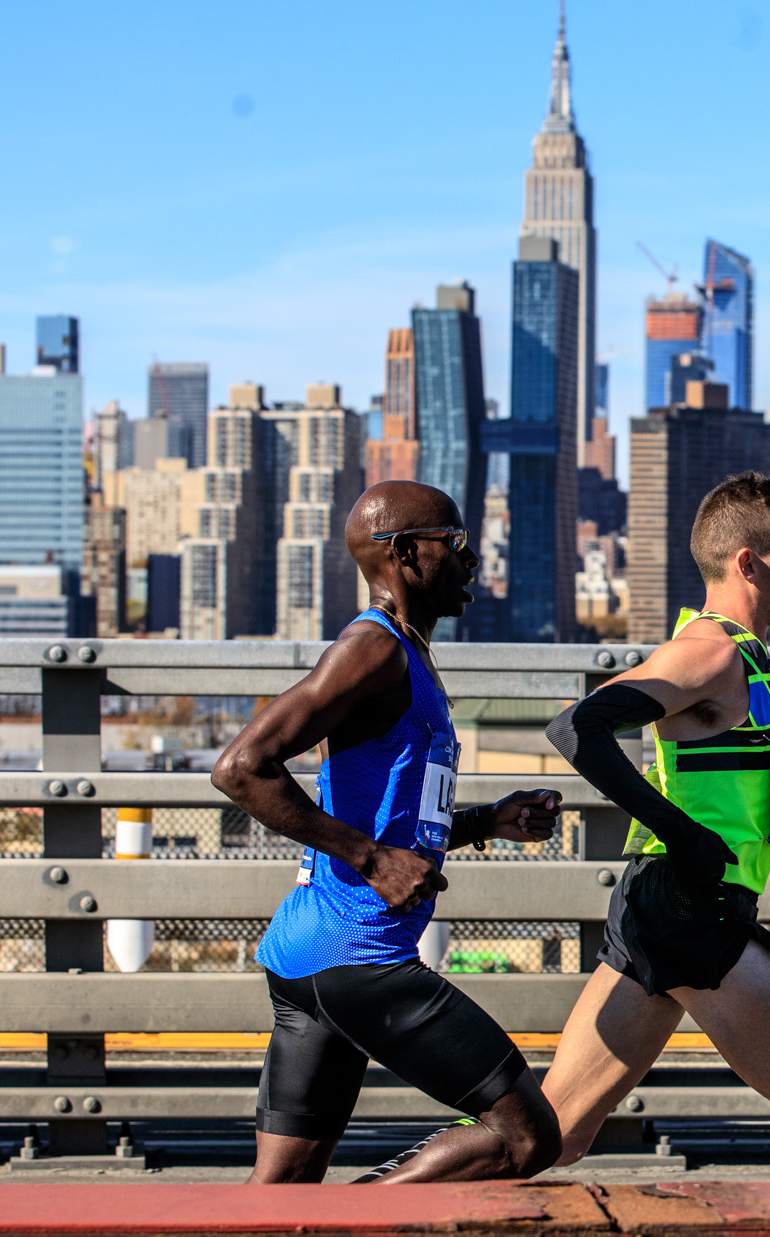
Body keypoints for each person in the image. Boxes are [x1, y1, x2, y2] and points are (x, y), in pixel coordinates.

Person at [212, 480, 566, 1184]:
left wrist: (485, 820)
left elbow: (397, 819)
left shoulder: (407, 651)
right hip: (358, 960)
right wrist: (371, 859)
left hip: (311, 960)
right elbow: (241, 767)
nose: (472, 561)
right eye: (457, 544)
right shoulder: (372, 649)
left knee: (277, 1196)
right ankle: (362, 1216)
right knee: (528, 1136)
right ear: (406, 553)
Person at [539, 473, 770, 1180]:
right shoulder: (711, 649)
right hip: (693, 908)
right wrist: (680, 832)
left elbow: (710, 773)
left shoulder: (745, 657)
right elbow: (580, 727)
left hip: (664, 907)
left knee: (551, 1134)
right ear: (747, 563)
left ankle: (362, 1212)